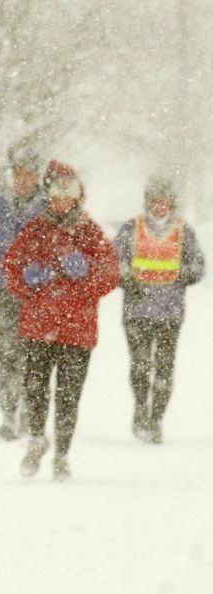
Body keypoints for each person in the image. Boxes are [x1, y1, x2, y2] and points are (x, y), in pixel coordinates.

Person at [2, 160, 118, 482]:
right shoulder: (34, 230)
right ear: (47, 196)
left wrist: (86, 278)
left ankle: (62, 455)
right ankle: (37, 440)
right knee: (36, 389)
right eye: (55, 195)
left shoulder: (89, 232)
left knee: (69, 396)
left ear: (77, 198)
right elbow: (10, 266)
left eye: (67, 196)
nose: (60, 202)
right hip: (38, 327)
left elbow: (111, 274)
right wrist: (27, 280)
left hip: (77, 331)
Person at [112, 177, 204, 444]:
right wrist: (127, 278)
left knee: (163, 368)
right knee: (140, 366)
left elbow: (198, 265)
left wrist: (184, 275)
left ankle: (156, 418)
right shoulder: (132, 228)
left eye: (163, 202)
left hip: (170, 311)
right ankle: (141, 407)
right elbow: (114, 261)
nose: (159, 207)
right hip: (136, 310)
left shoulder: (183, 232)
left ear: (171, 204)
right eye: (154, 201)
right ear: (147, 203)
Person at [0, 143, 44, 440]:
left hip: (34, 293)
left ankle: (29, 409)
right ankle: (8, 411)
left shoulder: (46, 208)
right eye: (18, 174)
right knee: (5, 353)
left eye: (28, 174)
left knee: (31, 352)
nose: (22, 180)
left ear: (36, 176)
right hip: (1, 290)